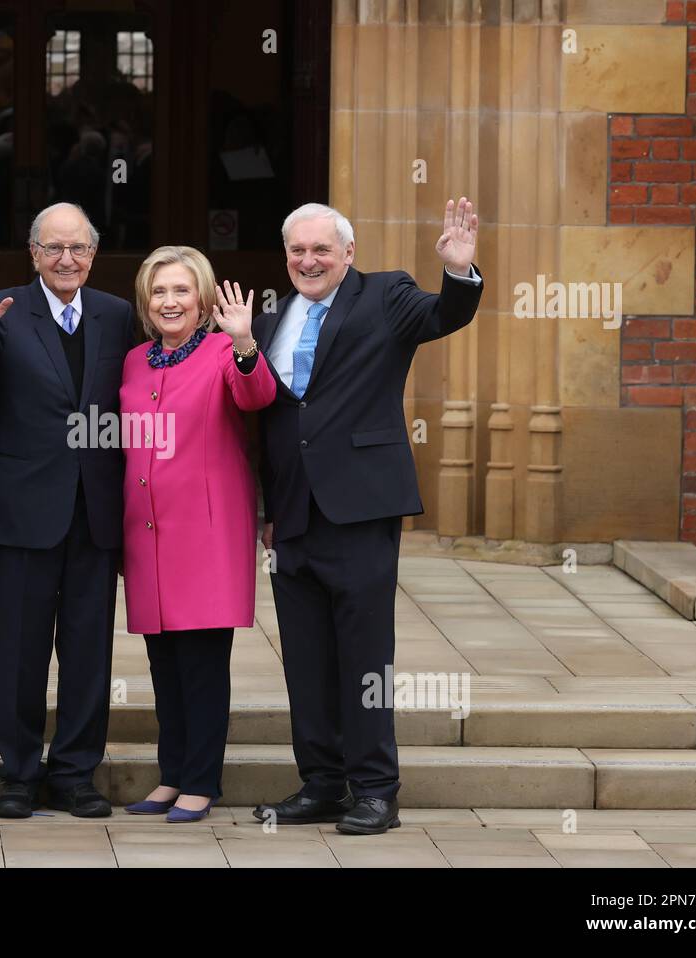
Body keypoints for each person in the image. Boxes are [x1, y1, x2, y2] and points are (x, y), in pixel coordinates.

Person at [252, 198, 482, 835]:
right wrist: (267, 508)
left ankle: (376, 790)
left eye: (322, 249)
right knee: (305, 658)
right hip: (292, 513)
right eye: (298, 250)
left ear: (348, 253)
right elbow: (270, 418)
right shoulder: (270, 318)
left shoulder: (386, 295)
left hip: (359, 508)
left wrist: (459, 272)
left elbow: (445, 315)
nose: (309, 260)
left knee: (364, 657)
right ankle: (321, 783)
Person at [0, 203, 137, 818]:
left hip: (95, 511)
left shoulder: (116, 315)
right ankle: (21, 773)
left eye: (77, 248)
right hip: (22, 509)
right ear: (33, 254)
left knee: (88, 650)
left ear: (93, 254)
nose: (66, 260)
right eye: (53, 248)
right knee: (21, 651)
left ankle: (77, 774)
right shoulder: (3, 310)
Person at [118, 246, 275, 823]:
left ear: (205, 299)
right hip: (148, 532)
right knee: (164, 666)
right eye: (159, 291)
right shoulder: (135, 360)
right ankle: (173, 774)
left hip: (206, 535)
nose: (169, 302)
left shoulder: (222, 352)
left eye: (182, 290)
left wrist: (243, 342)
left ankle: (202, 782)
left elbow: (257, 396)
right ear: (145, 301)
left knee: (203, 666)